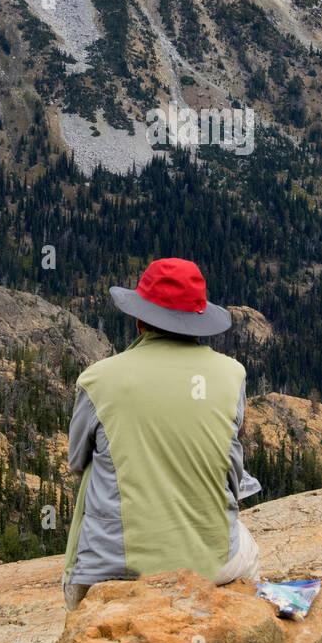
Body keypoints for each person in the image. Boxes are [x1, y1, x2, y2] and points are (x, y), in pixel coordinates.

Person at [61, 256, 261, 611]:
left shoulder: (99, 379)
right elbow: (231, 467)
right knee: (248, 548)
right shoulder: (232, 375)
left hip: (112, 568)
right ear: (199, 322)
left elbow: (78, 463)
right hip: (211, 564)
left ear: (140, 320)